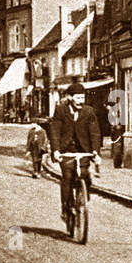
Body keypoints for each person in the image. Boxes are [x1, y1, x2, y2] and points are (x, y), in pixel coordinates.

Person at [49, 81, 102, 220]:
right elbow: (55, 131)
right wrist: (56, 150)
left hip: (83, 150)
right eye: (78, 98)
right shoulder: (61, 110)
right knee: (67, 176)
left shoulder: (89, 111)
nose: (81, 101)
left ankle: (82, 200)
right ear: (70, 98)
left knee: (84, 174)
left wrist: (96, 152)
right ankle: (66, 207)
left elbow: (95, 133)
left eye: (82, 98)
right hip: (66, 151)